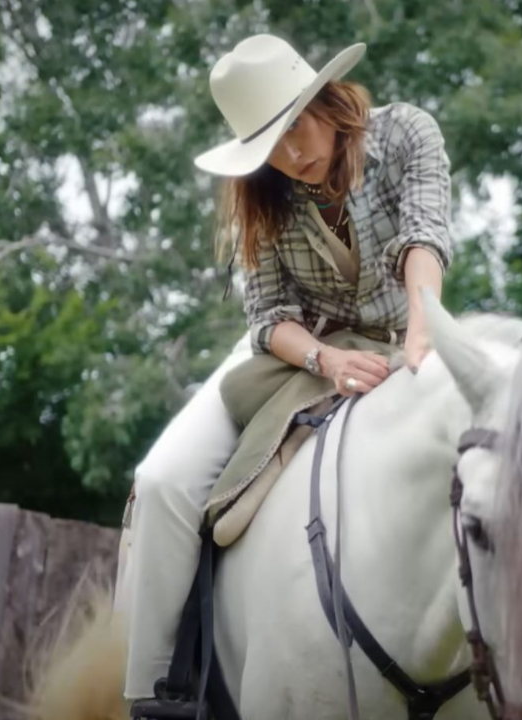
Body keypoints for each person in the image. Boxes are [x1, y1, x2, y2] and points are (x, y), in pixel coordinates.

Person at [113, 32, 453, 706]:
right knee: (160, 483)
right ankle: (150, 693)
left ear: (325, 97)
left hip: (410, 333)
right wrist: (327, 358)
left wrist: (421, 339)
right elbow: (267, 314)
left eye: (297, 124)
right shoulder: (261, 195)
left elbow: (426, 233)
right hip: (293, 353)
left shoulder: (408, 133)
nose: (293, 152)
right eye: (272, 142)